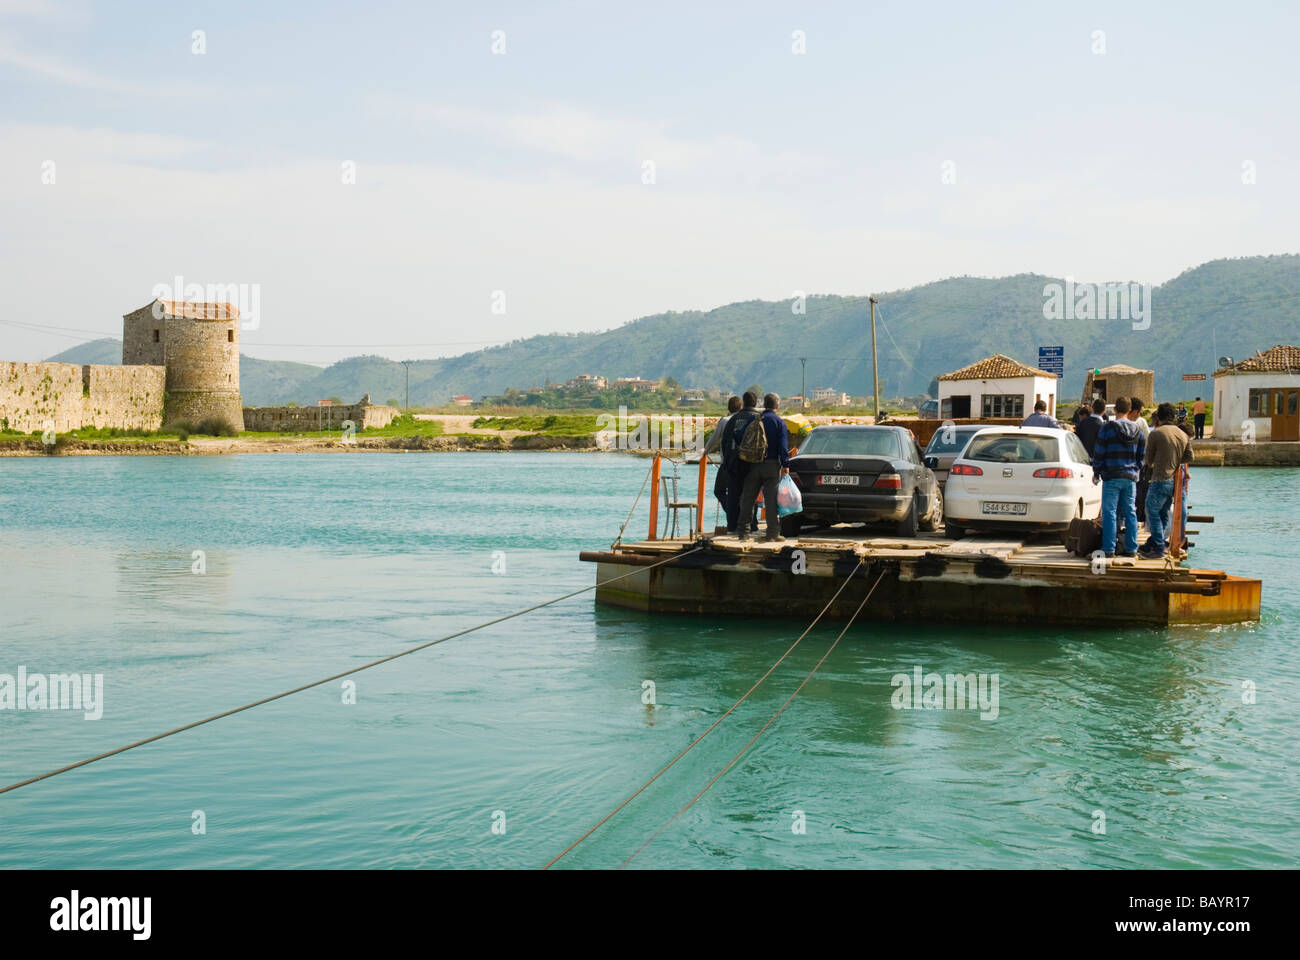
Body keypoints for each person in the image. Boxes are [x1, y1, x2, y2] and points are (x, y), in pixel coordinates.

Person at [1092, 395, 1146, 558]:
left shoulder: (1107, 428)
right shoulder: (1138, 430)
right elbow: (1141, 456)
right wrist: (1136, 469)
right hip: (1130, 477)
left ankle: (1109, 548)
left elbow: (1099, 451)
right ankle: (1131, 548)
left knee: (1109, 512)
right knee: (1130, 512)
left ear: (1115, 409)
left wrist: (1096, 471)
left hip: (1111, 475)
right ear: (1130, 410)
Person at [1139, 402, 1194, 559]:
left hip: (1159, 478)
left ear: (1159, 417)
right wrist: (1176, 462)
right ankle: (1159, 542)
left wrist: (1158, 461)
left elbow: (1148, 460)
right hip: (1173, 481)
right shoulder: (1182, 434)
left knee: (1151, 511)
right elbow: (1190, 457)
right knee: (1163, 513)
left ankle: (1157, 547)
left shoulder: (1156, 433)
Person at [737, 393, 791, 542]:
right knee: (771, 500)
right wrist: (785, 464)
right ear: (777, 405)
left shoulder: (755, 419)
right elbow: (783, 447)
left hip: (753, 465)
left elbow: (740, 436)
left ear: (764, 404)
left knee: (748, 499)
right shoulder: (779, 422)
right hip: (772, 466)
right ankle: (772, 534)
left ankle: (743, 533)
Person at [720, 392, 762, 534]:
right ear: (756, 403)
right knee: (751, 496)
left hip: (735, 463)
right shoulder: (760, 419)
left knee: (733, 496)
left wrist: (727, 462)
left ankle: (732, 527)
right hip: (754, 464)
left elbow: (725, 441)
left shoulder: (734, 419)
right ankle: (752, 526)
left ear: (743, 402)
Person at [703, 396, 742, 531]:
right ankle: (741, 517)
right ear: (740, 407)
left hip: (727, 464)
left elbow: (714, 438)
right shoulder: (745, 419)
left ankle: (733, 514)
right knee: (742, 492)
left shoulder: (725, 421)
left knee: (719, 490)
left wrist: (705, 451)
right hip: (745, 464)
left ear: (728, 408)